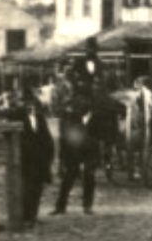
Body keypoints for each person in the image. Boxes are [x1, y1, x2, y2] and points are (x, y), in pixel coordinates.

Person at [52, 96, 100, 216]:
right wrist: (62, 158)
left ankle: (87, 206)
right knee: (69, 178)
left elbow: (99, 137)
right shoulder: (67, 119)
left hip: (89, 151)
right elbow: (63, 138)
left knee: (88, 177)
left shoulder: (94, 119)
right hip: (73, 150)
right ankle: (61, 206)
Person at [18, 95, 54, 227]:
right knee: (26, 188)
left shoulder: (40, 118)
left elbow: (47, 138)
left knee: (38, 189)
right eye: (28, 104)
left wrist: (49, 155)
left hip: (40, 160)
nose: (30, 107)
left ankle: (33, 215)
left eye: (33, 104)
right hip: (26, 160)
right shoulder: (18, 118)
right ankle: (25, 217)